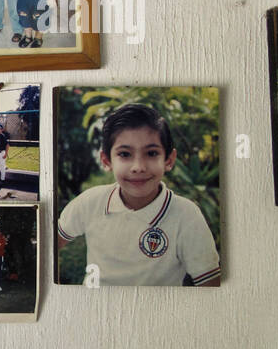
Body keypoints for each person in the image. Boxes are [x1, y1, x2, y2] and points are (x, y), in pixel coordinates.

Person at [57, 102, 220, 286]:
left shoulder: (187, 215)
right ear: (106, 160)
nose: (138, 167)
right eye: (125, 154)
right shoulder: (90, 202)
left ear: (169, 160)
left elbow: (210, 283)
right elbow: (52, 244)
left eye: (151, 153)